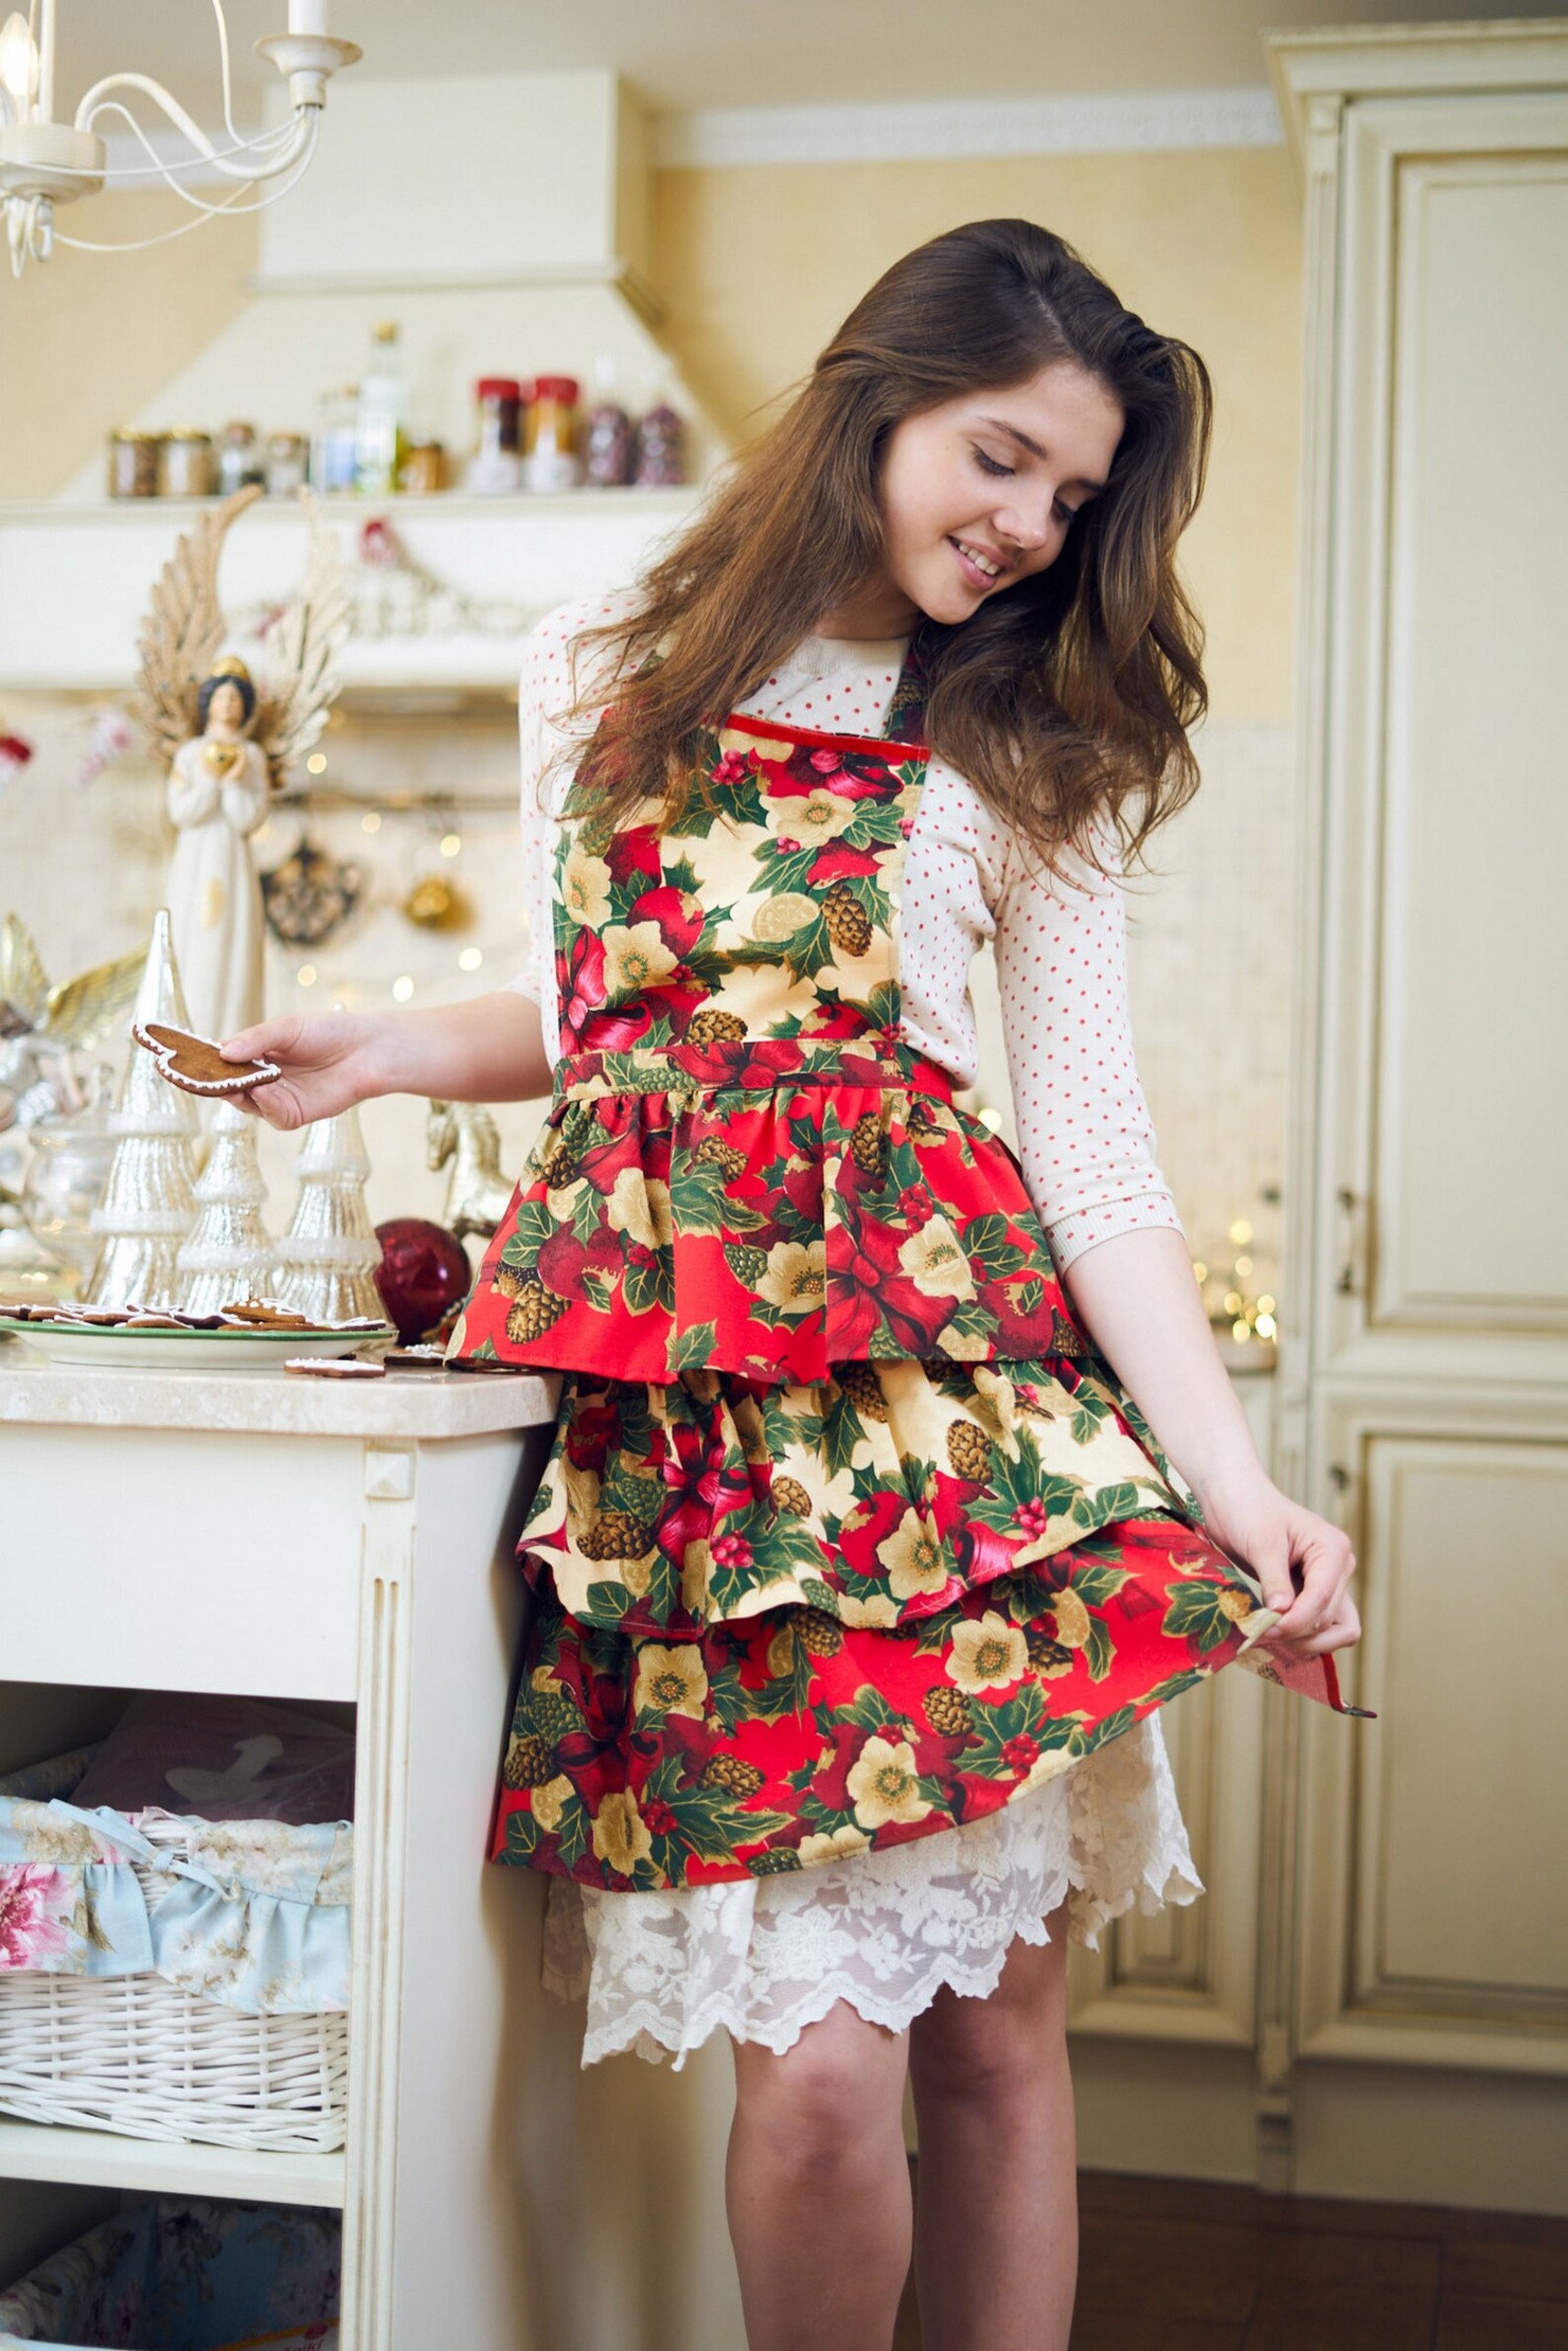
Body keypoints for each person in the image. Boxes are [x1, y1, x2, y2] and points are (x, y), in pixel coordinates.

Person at [226, 219, 1363, 2351]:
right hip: (703, 1471)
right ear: (878, 398)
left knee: (998, 2042)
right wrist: (387, 1041)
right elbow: (618, 1026)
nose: (1027, 529)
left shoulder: (1029, 725)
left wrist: (1234, 1485)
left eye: (1070, 499)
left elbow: (1091, 1150)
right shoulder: (595, 659)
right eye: (1000, 459)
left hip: (960, 1446)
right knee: (822, 2082)